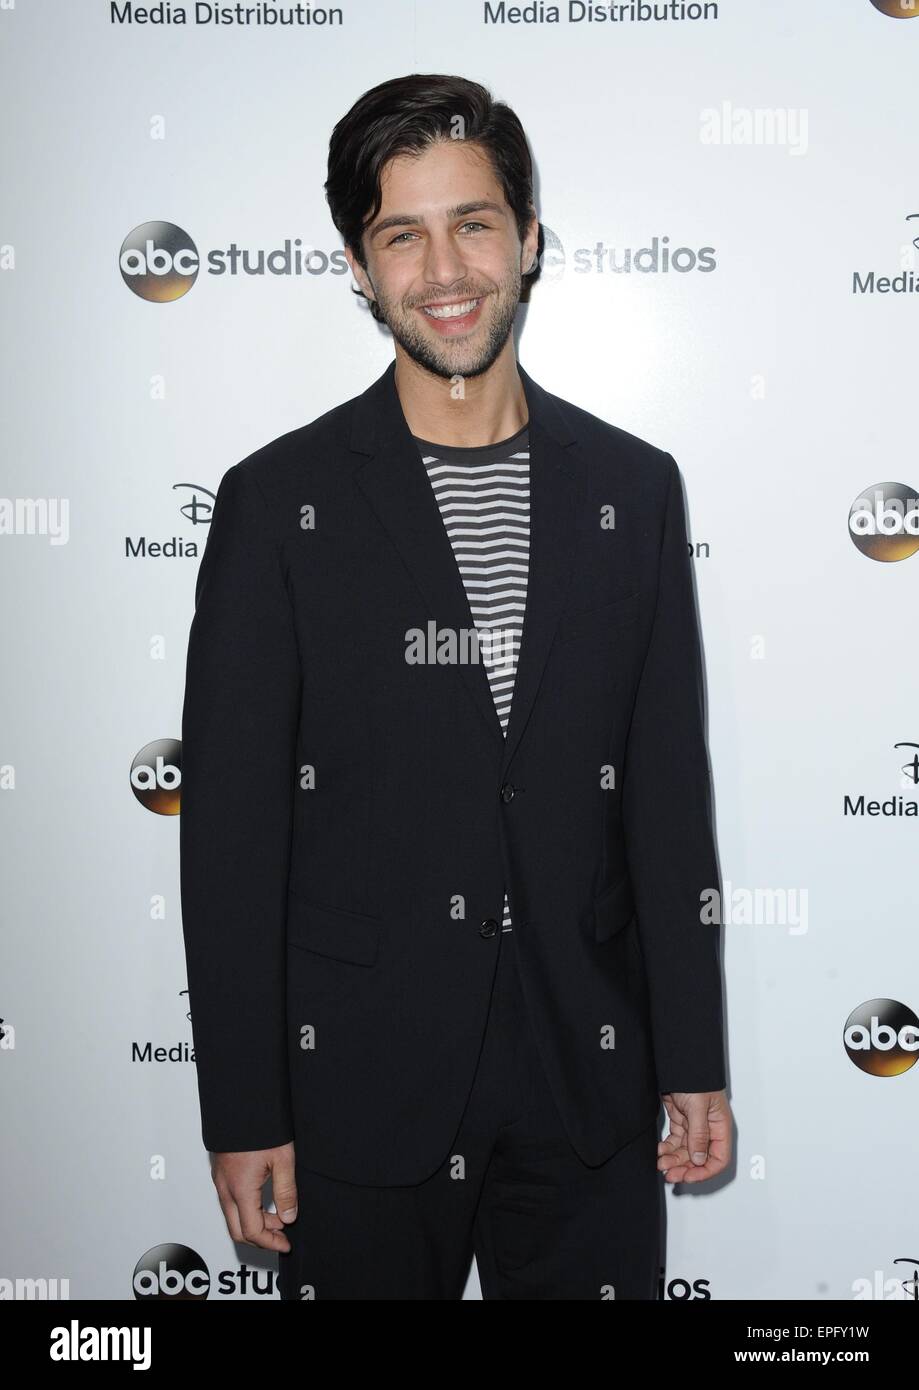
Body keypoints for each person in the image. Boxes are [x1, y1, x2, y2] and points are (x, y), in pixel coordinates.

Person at [179, 72, 732, 1301]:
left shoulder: (632, 491)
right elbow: (229, 843)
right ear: (358, 266)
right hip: (357, 1091)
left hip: (582, 1081)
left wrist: (691, 1053)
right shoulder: (278, 506)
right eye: (400, 234)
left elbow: (662, 796)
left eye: (473, 222)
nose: (444, 268)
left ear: (530, 238)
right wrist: (243, 1105)